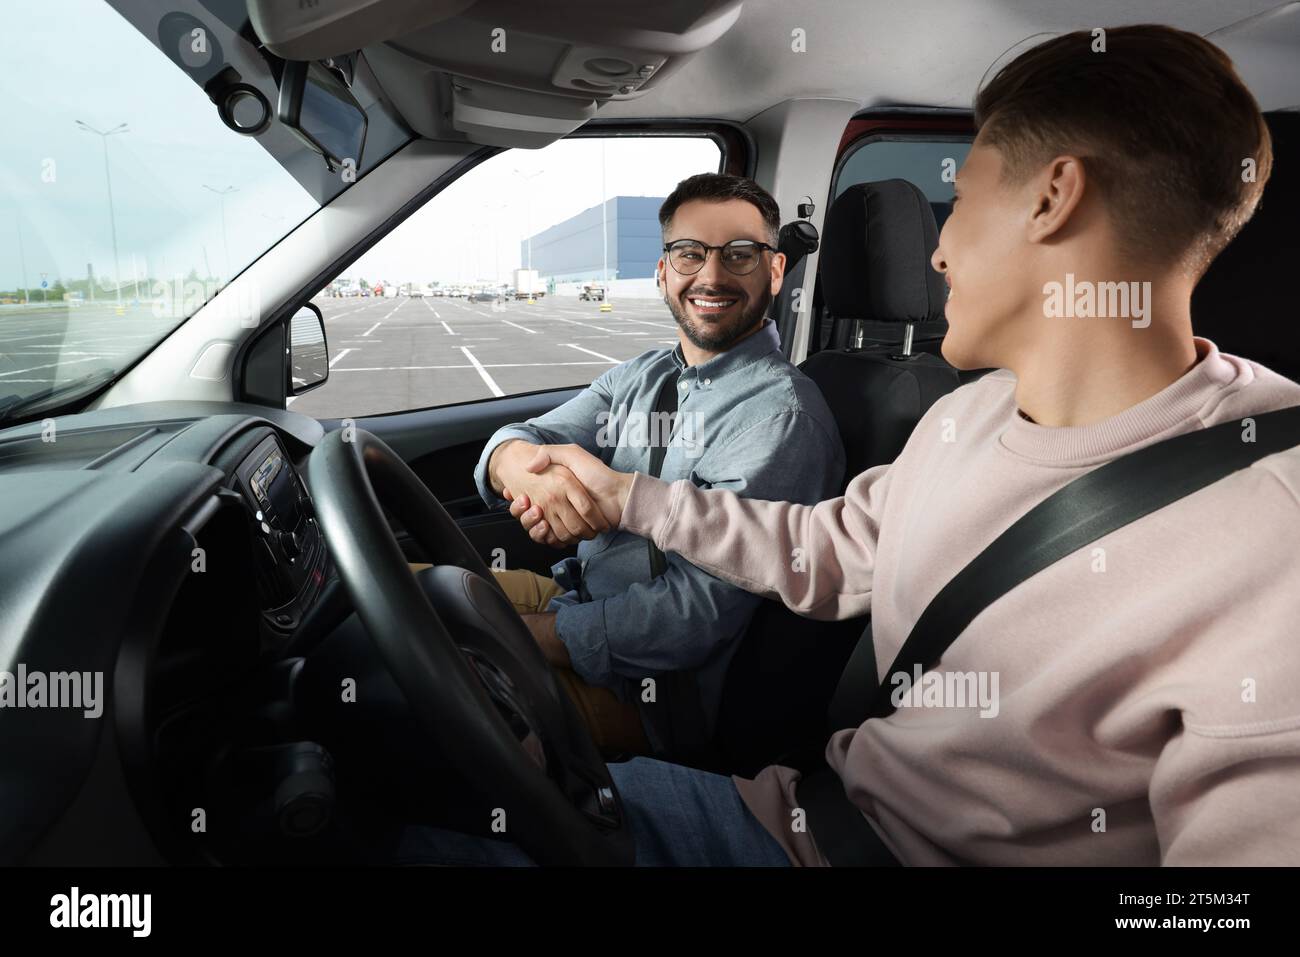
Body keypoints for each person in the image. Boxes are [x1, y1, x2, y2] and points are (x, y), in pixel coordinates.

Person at [479, 24, 1300, 866]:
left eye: (962, 201)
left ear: (1053, 198)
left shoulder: (1275, 523)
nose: (938, 250)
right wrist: (627, 498)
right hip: (795, 816)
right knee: (450, 790)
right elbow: (824, 548)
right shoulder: (967, 415)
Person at [453, 173, 844, 759]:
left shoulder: (780, 420)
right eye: (690, 254)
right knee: (398, 596)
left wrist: (528, 639)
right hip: (572, 599)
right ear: (665, 270)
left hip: (647, 697)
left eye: (740, 255)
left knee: (415, 702)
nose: (711, 276)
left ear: (775, 271)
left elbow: (691, 619)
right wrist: (520, 469)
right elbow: (531, 436)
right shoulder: (642, 376)